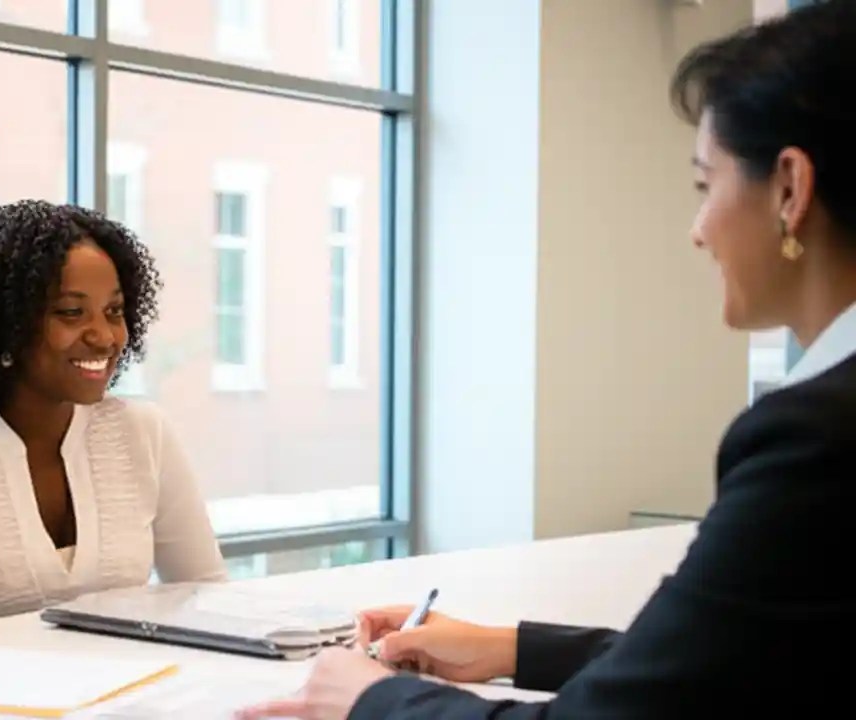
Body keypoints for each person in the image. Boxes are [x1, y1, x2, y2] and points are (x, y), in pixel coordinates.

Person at [237, 2, 856, 718]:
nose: (698, 230)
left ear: (789, 188)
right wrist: (513, 649)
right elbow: (739, 661)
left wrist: (373, 700)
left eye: (703, 185)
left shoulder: (814, 440)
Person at [0, 199, 226, 631]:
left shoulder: (144, 433)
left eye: (114, 311)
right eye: (72, 312)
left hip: (134, 694)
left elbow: (208, 604)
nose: (103, 336)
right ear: (6, 325)